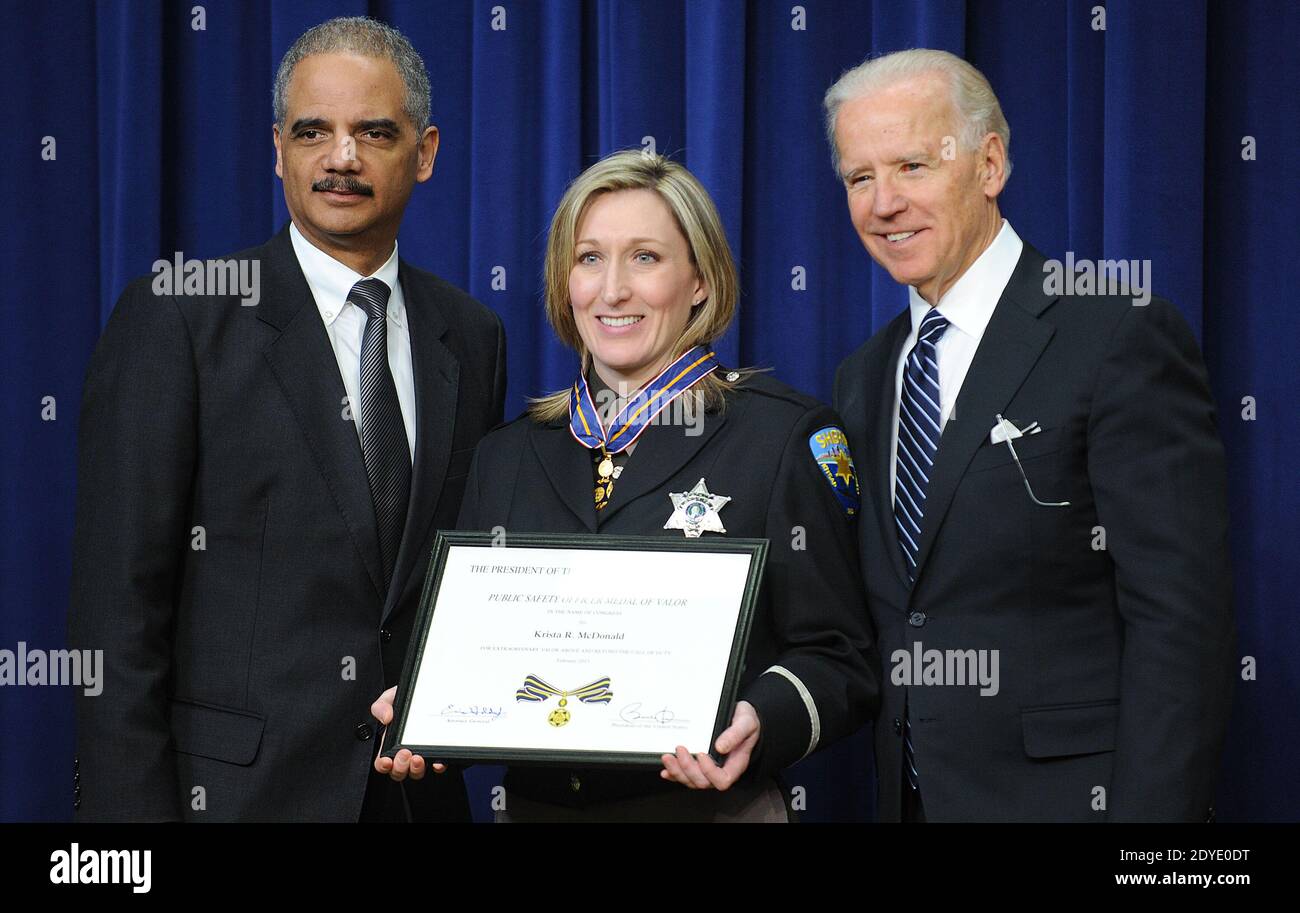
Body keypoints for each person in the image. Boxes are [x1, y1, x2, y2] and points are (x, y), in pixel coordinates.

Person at [67, 17, 505, 822]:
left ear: (426, 151)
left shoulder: (471, 337)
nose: (341, 157)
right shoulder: (181, 315)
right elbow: (116, 616)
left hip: (414, 804)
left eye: (374, 131)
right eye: (314, 131)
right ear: (278, 150)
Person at [371, 150, 879, 822]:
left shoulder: (783, 437)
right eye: (589, 258)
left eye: (645, 257)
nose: (612, 290)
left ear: (699, 279)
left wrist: (761, 716)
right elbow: (486, 657)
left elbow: (840, 656)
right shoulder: (506, 454)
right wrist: (430, 710)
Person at [826, 49, 1235, 821]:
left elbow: (1183, 623)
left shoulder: (1115, 331)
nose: (883, 203)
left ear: (989, 165)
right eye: (859, 177)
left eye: (912, 165)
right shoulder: (864, 375)